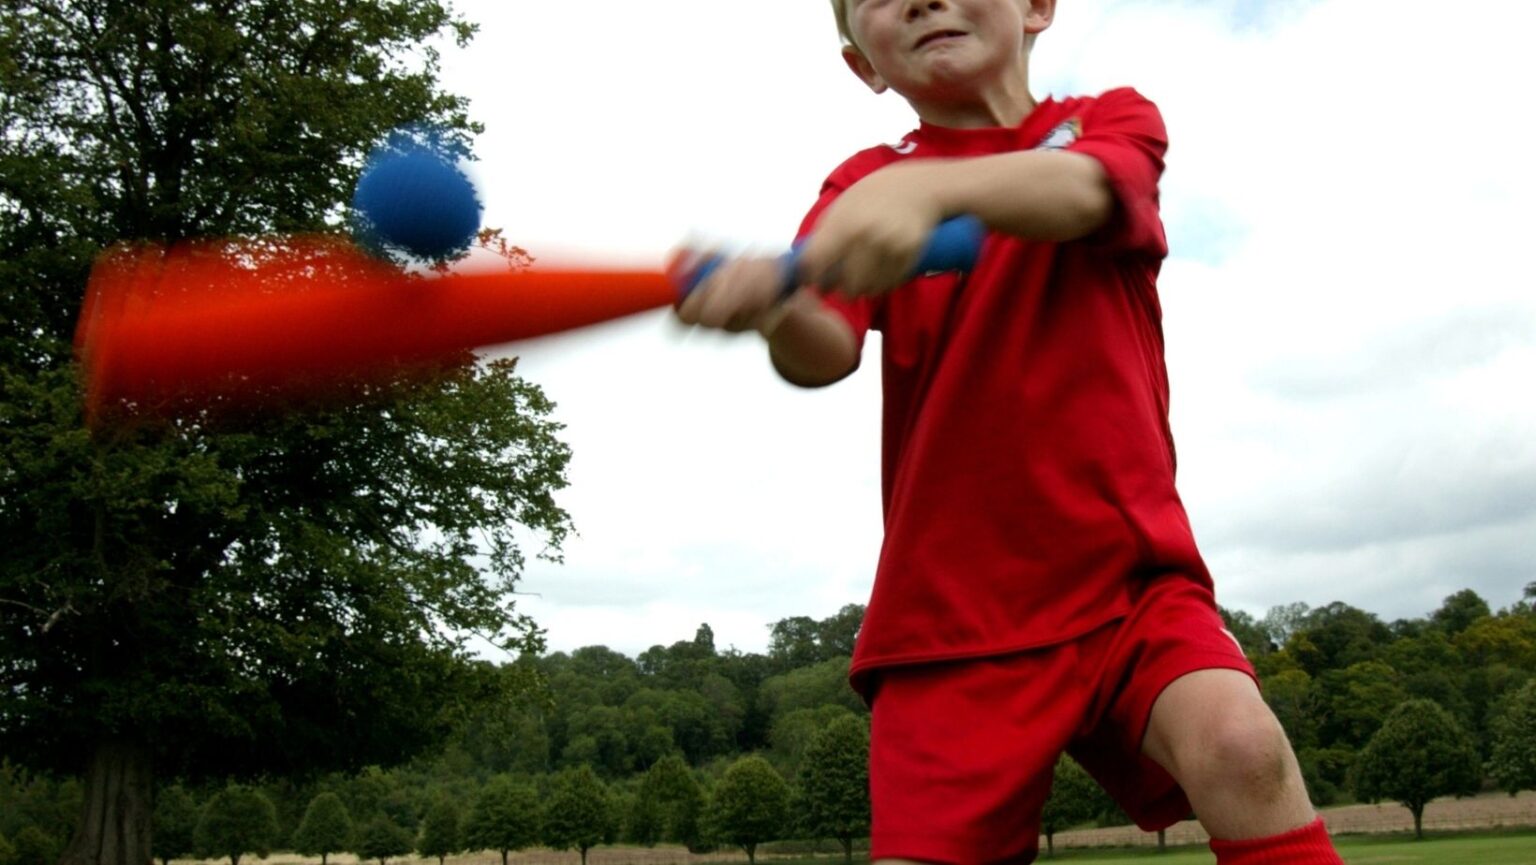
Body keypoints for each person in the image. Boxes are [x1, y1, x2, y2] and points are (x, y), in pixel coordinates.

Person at [675, 2, 1343, 863]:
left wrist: (930, 192)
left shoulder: (1108, 122)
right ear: (863, 64)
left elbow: (1084, 192)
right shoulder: (859, 187)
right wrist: (775, 308)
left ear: (1035, 6)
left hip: (1131, 582)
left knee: (1241, 745)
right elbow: (823, 351)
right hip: (948, 620)